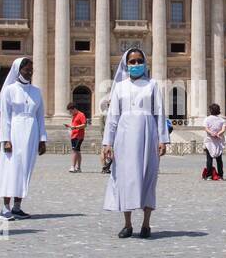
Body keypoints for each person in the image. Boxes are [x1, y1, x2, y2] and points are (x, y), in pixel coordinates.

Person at [101, 48, 169, 237]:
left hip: (149, 134)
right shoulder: (120, 87)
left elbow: (159, 112)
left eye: (140, 61)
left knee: (148, 176)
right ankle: (128, 224)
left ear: (145, 63)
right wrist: (108, 142)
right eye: (132, 62)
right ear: (126, 64)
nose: (136, 64)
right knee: (126, 178)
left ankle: (146, 224)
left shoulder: (152, 84)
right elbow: (113, 116)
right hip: (124, 137)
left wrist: (163, 139)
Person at [0, 56, 46, 220]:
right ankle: (5, 207)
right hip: (14, 132)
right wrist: (5, 139)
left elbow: (40, 116)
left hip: (31, 131)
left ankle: (17, 206)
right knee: (11, 169)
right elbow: (5, 117)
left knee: (25, 169)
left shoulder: (36, 91)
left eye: (31, 70)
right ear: (18, 70)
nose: (29, 72)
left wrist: (42, 138)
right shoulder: (9, 90)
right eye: (26, 70)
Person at [202, 104, 226, 180]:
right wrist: (218, 133)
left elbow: (206, 128)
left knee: (209, 159)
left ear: (210, 110)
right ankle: (221, 175)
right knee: (219, 160)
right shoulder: (222, 120)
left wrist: (212, 133)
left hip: (210, 140)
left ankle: (209, 175)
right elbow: (223, 129)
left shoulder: (207, 119)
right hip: (218, 141)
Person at [67, 102, 87, 172]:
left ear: (74, 109)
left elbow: (84, 125)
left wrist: (75, 127)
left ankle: (73, 166)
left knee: (75, 150)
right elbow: (74, 125)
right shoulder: (74, 116)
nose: (70, 112)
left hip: (79, 136)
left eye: (70, 111)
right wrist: (70, 126)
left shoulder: (81, 115)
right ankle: (79, 168)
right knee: (77, 151)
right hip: (73, 135)